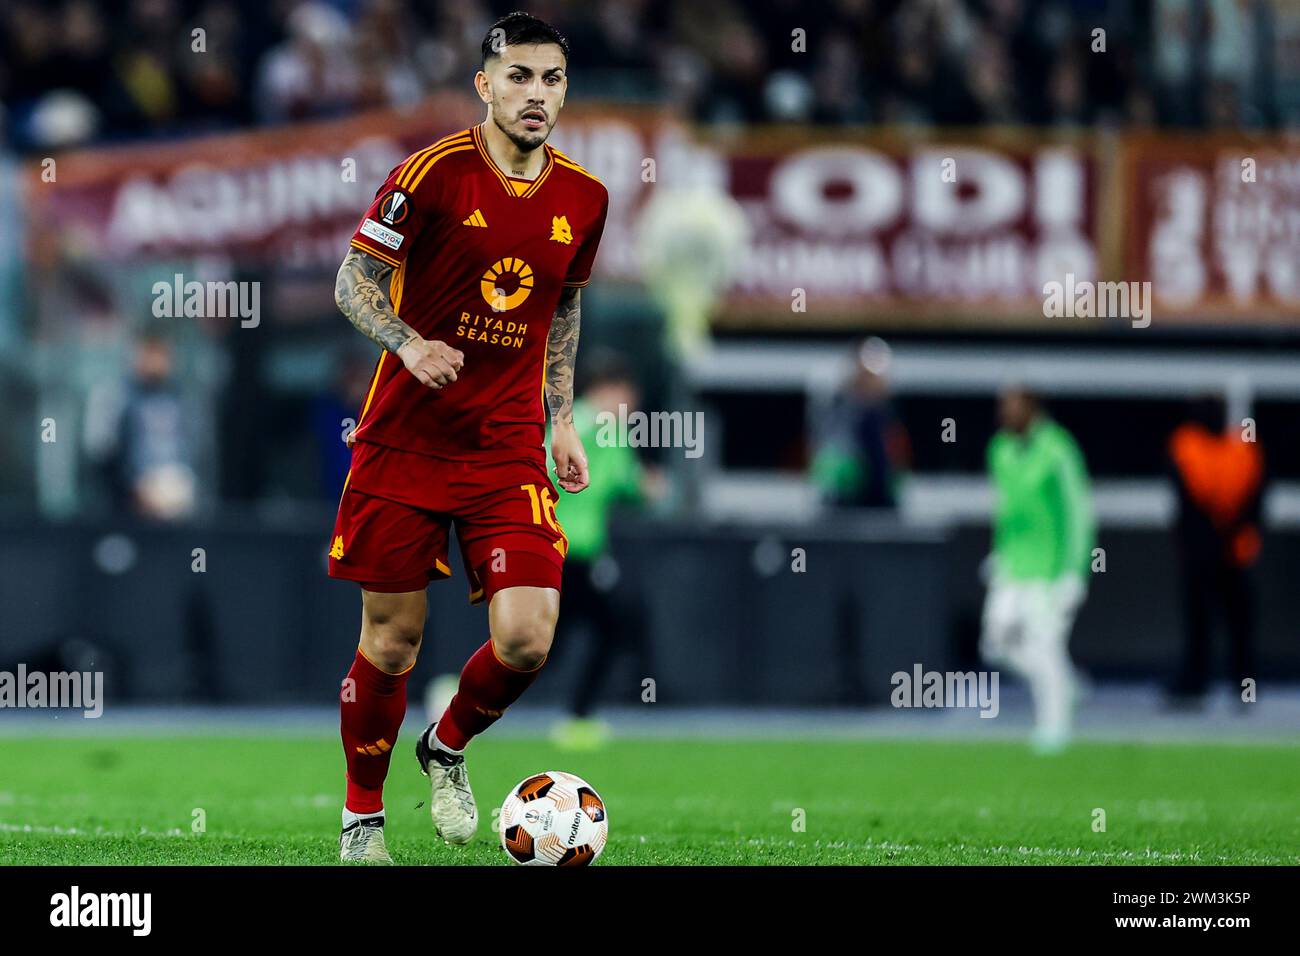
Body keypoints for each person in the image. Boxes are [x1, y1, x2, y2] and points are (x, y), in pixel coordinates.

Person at [328, 12, 609, 863]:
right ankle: (362, 820)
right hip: (405, 442)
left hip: (506, 445)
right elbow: (353, 278)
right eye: (518, 77)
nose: (536, 94)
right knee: (392, 640)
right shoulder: (432, 174)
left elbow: (562, 303)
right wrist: (408, 343)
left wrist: (561, 417)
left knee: (529, 636)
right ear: (485, 85)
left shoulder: (585, 198)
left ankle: (445, 746)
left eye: (551, 78)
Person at [548, 351, 660, 750]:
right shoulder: (603, 427)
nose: (633, 404)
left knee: (547, 640)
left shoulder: (567, 422)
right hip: (573, 551)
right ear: (608, 389)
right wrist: (648, 485)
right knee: (604, 628)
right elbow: (625, 483)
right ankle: (578, 718)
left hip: (557, 549)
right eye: (628, 393)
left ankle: (459, 689)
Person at [980, 386, 1094, 753]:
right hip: (1014, 566)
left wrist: (1075, 570)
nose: (1005, 414)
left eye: (1012, 407)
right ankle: (1067, 684)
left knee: (1044, 646)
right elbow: (1006, 508)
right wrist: (998, 553)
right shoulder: (1000, 449)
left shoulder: (1058, 448)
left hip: (1049, 570)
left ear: (1032, 409)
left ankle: (1054, 727)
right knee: (996, 644)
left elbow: (1078, 512)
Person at [1166, 395, 1263, 708]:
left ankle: (1243, 688)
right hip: (1203, 553)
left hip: (1230, 553)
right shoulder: (1188, 445)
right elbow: (1186, 499)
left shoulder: (1242, 448)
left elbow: (1256, 499)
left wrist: (1231, 534)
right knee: (1200, 624)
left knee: (1238, 627)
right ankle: (1194, 685)